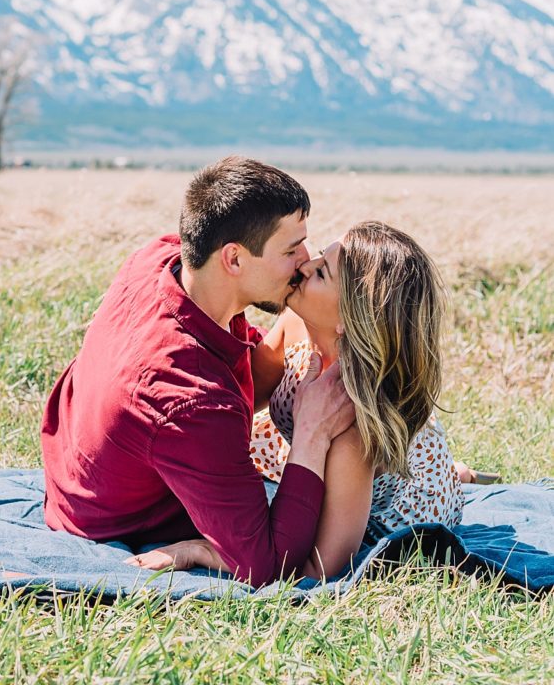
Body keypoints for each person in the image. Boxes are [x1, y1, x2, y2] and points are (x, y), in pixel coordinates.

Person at [41, 157, 355, 588]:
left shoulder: (160, 260)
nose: (305, 261)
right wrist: (313, 433)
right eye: (290, 250)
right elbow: (269, 565)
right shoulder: (193, 400)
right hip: (106, 519)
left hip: (74, 470)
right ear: (234, 259)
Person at [139, 221, 466, 580]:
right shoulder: (295, 323)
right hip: (316, 444)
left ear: (348, 319)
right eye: (321, 255)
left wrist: (201, 549)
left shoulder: (353, 435)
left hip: (397, 507)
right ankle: (452, 467)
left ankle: (448, 473)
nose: (305, 266)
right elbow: (240, 399)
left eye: (322, 273)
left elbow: (317, 568)